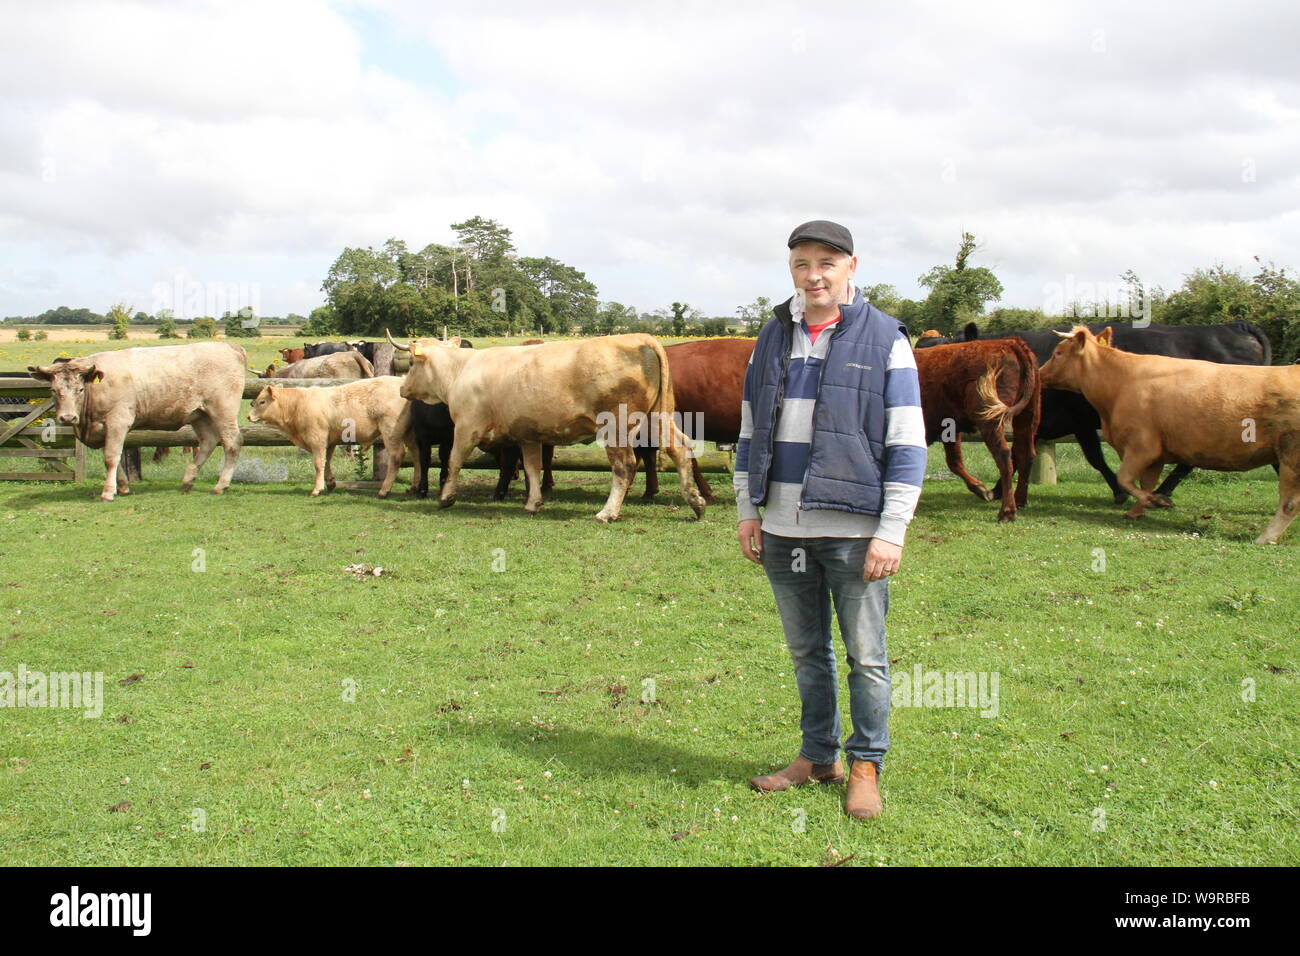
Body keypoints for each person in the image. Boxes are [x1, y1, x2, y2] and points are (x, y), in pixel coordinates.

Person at [735, 220, 926, 820]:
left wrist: (891, 530)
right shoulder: (772, 335)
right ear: (791, 271)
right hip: (782, 528)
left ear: (851, 267)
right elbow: (748, 431)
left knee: (866, 656)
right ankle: (818, 756)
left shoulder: (886, 339)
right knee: (805, 652)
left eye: (827, 262)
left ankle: (866, 763)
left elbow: (908, 442)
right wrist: (747, 508)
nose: (813, 275)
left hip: (853, 530)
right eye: (801, 264)